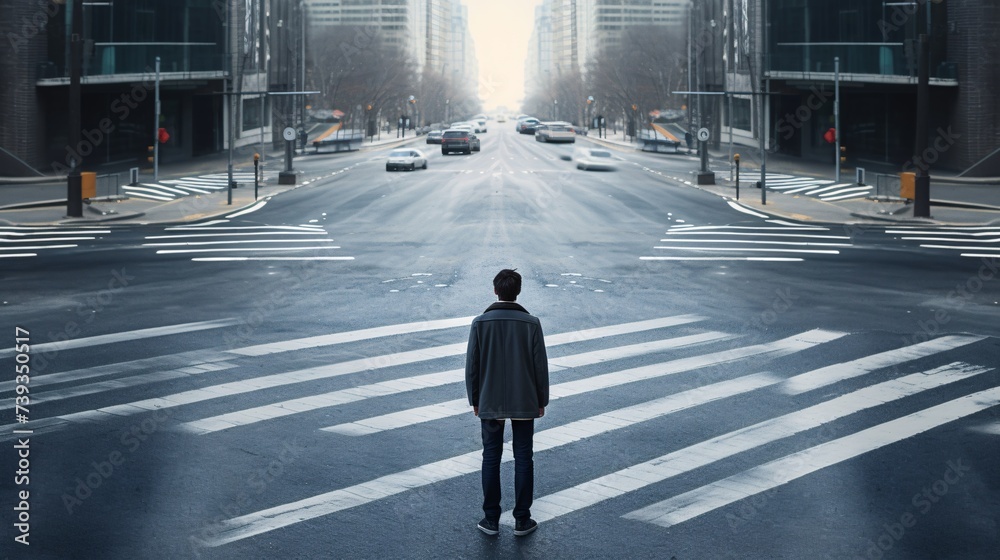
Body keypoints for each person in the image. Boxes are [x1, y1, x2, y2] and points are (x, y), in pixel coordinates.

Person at [465, 269, 549, 537]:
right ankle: (522, 520)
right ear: (519, 291)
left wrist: (475, 399)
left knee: (491, 456)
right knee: (524, 457)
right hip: (524, 399)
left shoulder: (480, 323)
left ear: (495, 291)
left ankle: (490, 519)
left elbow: (472, 367)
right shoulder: (531, 323)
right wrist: (541, 399)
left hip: (490, 399)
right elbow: (540, 366)